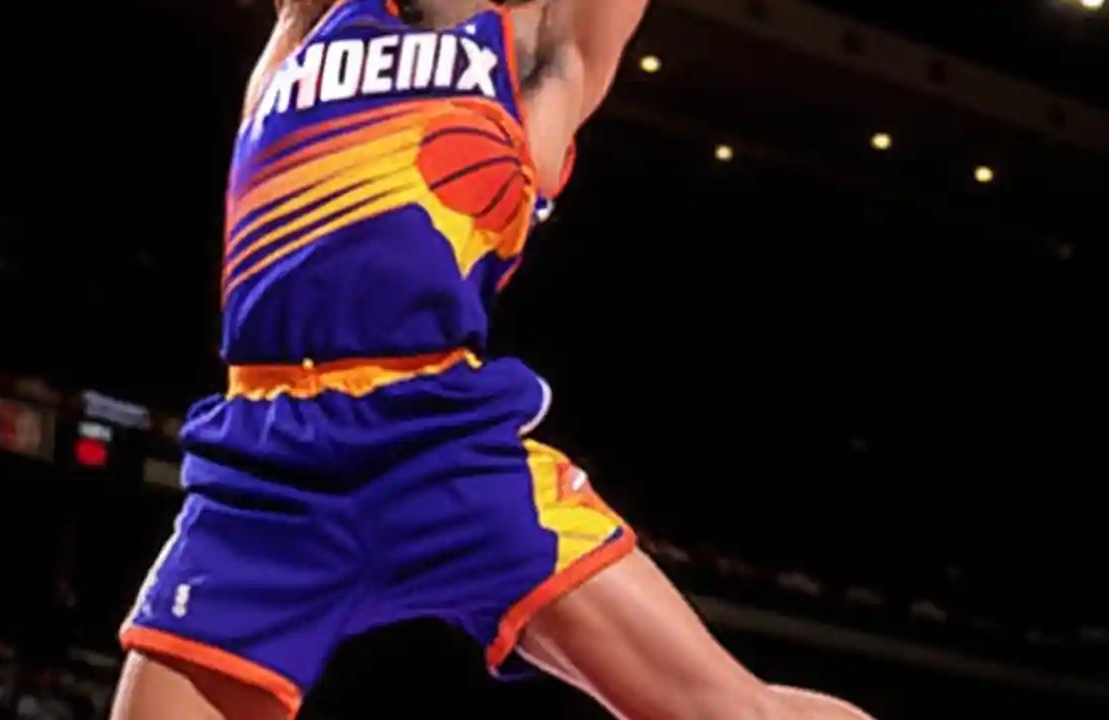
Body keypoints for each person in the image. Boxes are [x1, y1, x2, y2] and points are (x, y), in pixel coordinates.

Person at [111, 1, 877, 718]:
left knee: (732, 711)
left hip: (440, 444)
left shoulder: (539, 65)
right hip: (265, 468)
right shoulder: (312, 25)